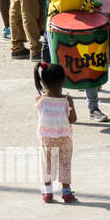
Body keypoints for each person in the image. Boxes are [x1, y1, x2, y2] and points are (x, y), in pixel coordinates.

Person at [33, 63, 76, 203]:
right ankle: (66, 192)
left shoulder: (40, 100)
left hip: (46, 138)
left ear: (42, 81)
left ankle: (47, 193)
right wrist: (71, 107)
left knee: (47, 164)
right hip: (64, 138)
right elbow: (73, 119)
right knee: (65, 163)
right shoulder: (66, 100)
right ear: (63, 80)